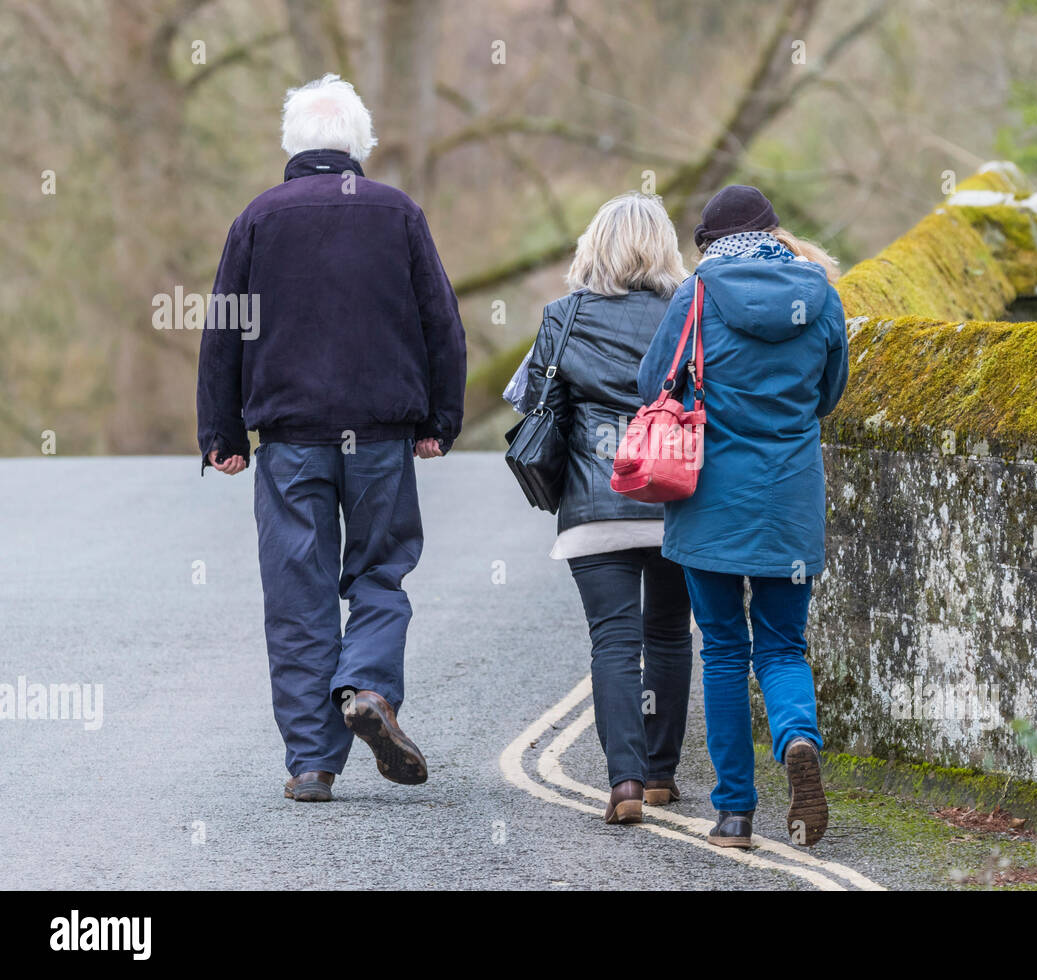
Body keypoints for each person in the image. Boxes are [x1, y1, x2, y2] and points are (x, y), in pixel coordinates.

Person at [196, 74, 466, 803]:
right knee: (379, 574)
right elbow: (441, 321)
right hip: (379, 434)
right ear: (359, 145)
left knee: (298, 595)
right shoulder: (398, 213)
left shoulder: (258, 219)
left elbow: (224, 330)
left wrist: (222, 433)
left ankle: (313, 764)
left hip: (289, 439)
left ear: (292, 145)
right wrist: (440, 421)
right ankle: (370, 689)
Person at [637, 184, 848, 849]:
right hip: (789, 501)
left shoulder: (695, 296)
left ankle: (734, 813)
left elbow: (652, 385)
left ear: (711, 243)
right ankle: (797, 740)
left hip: (709, 504)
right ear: (773, 232)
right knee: (784, 646)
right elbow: (830, 393)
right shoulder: (818, 295)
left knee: (725, 649)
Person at [521, 193, 694, 825]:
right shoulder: (689, 313)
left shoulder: (562, 317)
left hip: (597, 505)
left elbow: (532, 402)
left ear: (594, 246)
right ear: (665, 248)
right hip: (675, 498)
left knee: (614, 639)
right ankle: (658, 776)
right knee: (671, 633)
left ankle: (622, 782)